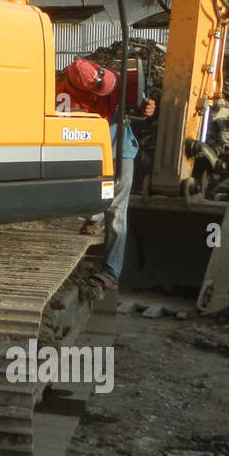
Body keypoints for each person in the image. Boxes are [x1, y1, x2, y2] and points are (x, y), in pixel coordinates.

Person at [56, 58, 155, 290]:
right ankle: (94, 218)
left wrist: (146, 106)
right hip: (90, 155)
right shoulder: (62, 96)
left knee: (117, 213)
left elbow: (140, 103)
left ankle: (111, 272)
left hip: (120, 152)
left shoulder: (114, 81)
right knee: (93, 196)